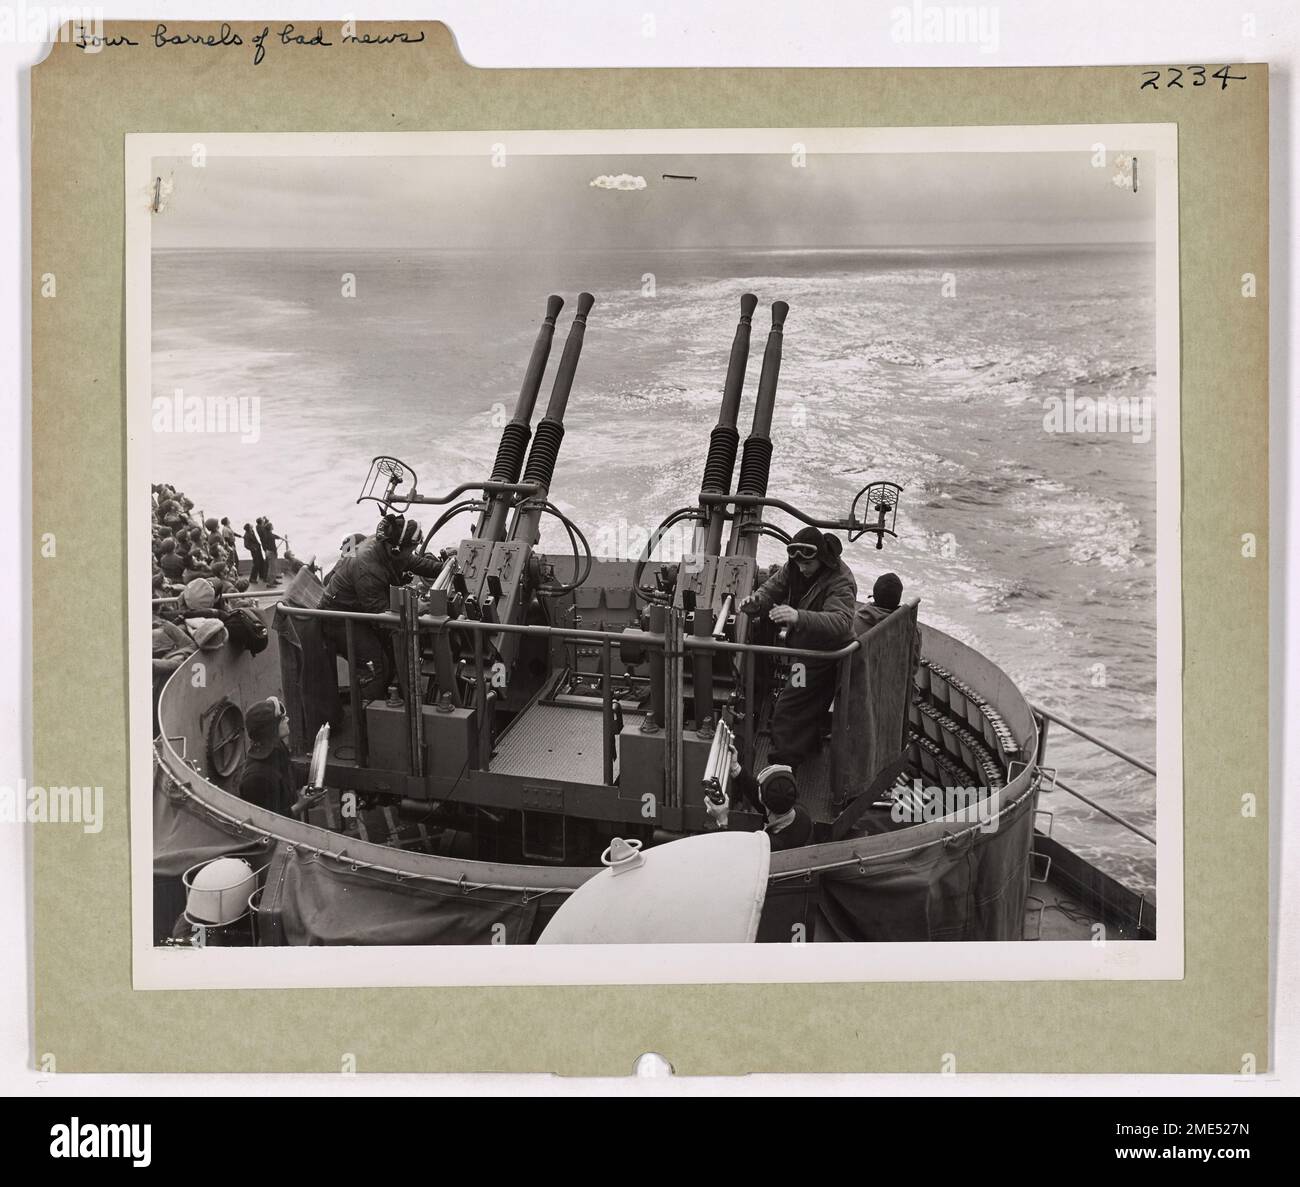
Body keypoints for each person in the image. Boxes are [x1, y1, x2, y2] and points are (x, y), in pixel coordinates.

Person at [738, 525, 858, 771]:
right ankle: (808, 747)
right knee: (809, 705)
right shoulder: (794, 567)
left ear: (822, 560)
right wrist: (756, 602)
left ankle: (781, 765)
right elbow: (771, 590)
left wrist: (798, 617)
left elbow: (842, 621)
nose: (803, 570)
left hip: (820, 657)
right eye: (799, 565)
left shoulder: (840, 579)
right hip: (805, 652)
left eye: (808, 565)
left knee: (788, 707)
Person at [317, 515, 445, 701]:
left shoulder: (388, 547)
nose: (413, 552)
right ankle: (369, 719)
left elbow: (414, 562)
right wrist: (417, 608)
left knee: (391, 653)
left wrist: (445, 567)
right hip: (339, 618)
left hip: (360, 609)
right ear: (397, 549)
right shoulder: (368, 568)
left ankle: (388, 696)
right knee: (376, 666)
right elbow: (380, 616)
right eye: (411, 548)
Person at [705, 749, 813, 852]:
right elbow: (768, 801)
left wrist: (722, 821)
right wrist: (735, 768)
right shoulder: (801, 814)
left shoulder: (767, 845)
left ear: (761, 797)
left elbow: (732, 853)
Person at [237, 696, 294, 816]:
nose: (287, 719)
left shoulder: (277, 748)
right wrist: (302, 804)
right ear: (271, 729)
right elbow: (269, 823)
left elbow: (292, 773)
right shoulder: (255, 778)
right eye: (282, 719)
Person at [256, 517, 283, 585]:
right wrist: (275, 552)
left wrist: (279, 537)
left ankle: (272, 580)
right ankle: (270, 582)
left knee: (272, 567)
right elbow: (272, 545)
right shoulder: (265, 532)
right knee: (271, 567)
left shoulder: (266, 532)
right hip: (270, 551)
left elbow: (268, 530)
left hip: (268, 550)